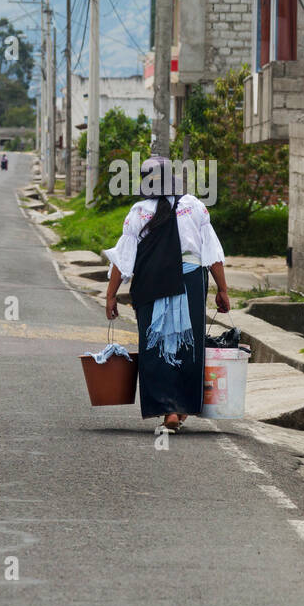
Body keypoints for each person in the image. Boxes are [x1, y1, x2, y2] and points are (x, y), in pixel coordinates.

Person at [104, 155, 231, 435]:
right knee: (189, 345)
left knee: (155, 347)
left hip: (151, 283)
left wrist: (111, 295)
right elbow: (211, 253)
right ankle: (182, 407)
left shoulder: (139, 211)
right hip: (191, 283)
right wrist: (222, 289)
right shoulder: (194, 206)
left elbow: (124, 260)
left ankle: (169, 410)